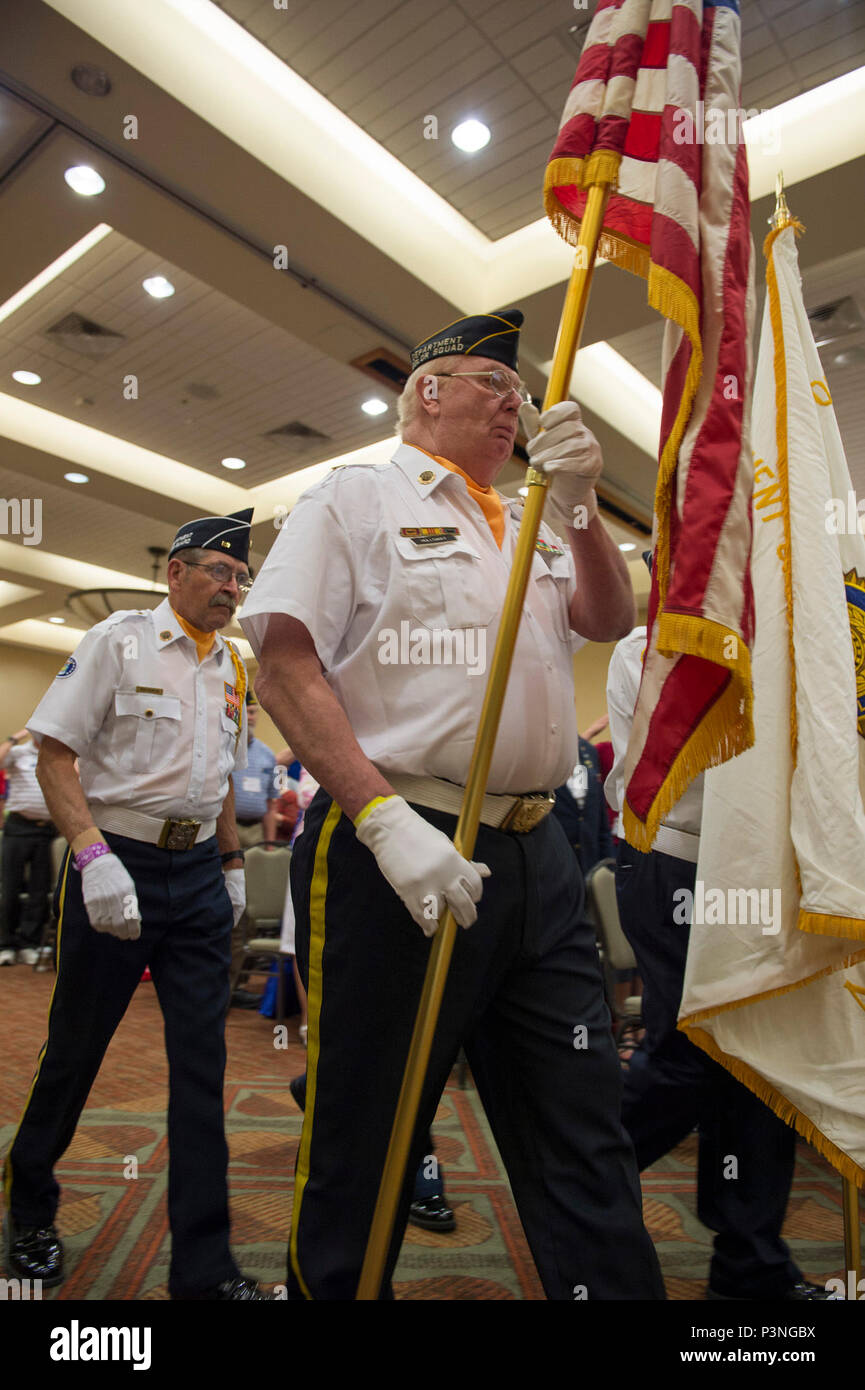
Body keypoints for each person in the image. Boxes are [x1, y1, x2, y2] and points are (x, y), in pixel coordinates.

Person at [241, 307, 664, 1300]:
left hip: (540, 851)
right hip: (403, 842)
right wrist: (383, 819)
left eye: (517, 390)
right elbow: (283, 662)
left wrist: (580, 503)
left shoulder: (525, 520)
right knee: (370, 1130)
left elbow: (608, 616)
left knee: (581, 1121)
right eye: (494, 383)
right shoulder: (354, 498)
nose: (515, 402)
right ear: (428, 389)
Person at [2, 508, 269, 1300]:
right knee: (76, 1051)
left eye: (240, 576)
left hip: (194, 880)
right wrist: (89, 854)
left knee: (202, 1066)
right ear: (174, 571)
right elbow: (54, 754)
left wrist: (228, 861)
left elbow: (220, 773)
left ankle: (205, 1266)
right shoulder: (116, 639)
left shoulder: (234, 665)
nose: (231, 587)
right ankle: (31, 1209)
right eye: (218, 572)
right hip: (112, 865)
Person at [606, 619, 829, 1301]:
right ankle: (579, 1167)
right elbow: (697, 760)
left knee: (759, 1063)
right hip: (677, 860)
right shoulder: (645, 647)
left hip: (765, 869)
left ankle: (750, 1266)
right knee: (689, 1055)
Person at [229, 689, 279, 1006]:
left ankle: (241, 983)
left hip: (257, 833)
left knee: (249, 910)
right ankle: (225, 982)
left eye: (254, 713)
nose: (251, 718)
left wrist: (270, 844)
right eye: (246, 713)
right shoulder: (229, 750)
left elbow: (274, 802)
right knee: (230, 904)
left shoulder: (268, 756)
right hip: (228, 828)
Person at [0, 730, 56, 965]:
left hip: (47, 831)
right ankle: (5, 944)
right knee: (10, 887)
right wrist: (14, 738)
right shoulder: (18, 752)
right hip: (18, 827)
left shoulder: (55, 755)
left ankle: (29, 942)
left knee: (39, 890)